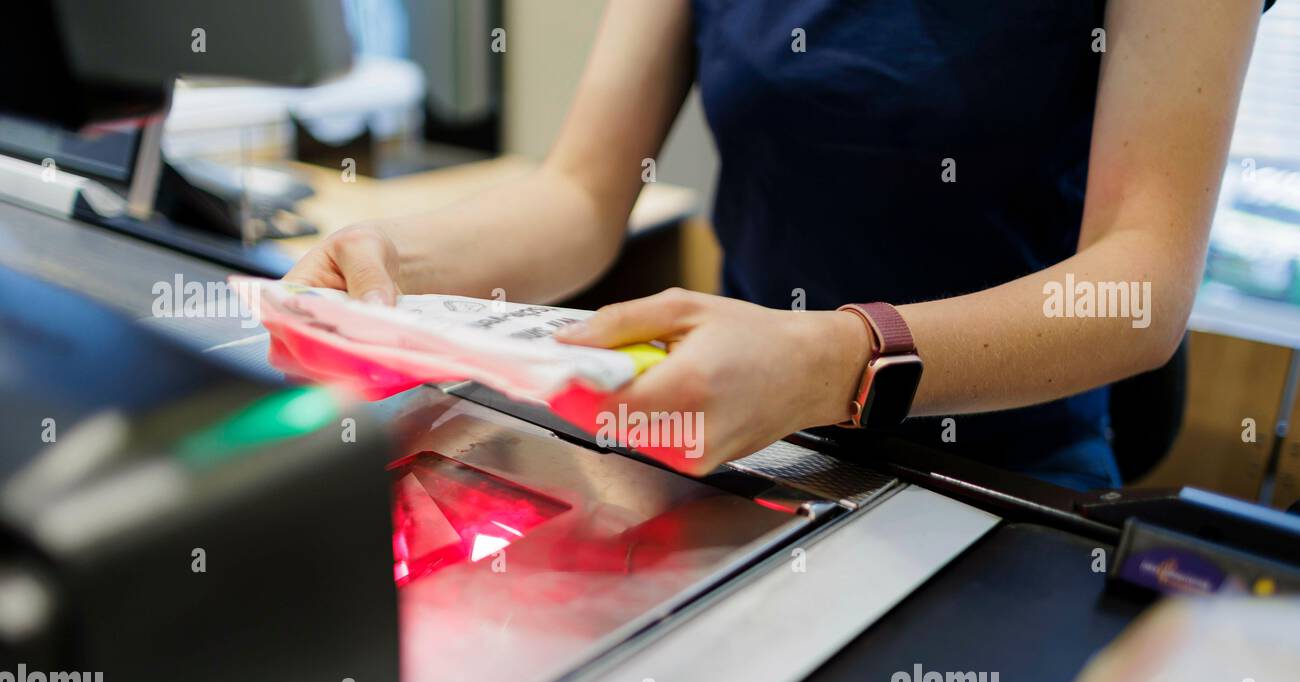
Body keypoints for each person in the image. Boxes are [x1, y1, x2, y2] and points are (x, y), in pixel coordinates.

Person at [286, 0, 1270, 487]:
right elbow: (582, 194)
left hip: (999, 478)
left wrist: (827, 363)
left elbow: (1138, 282)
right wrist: (389, 264)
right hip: (754, 449)